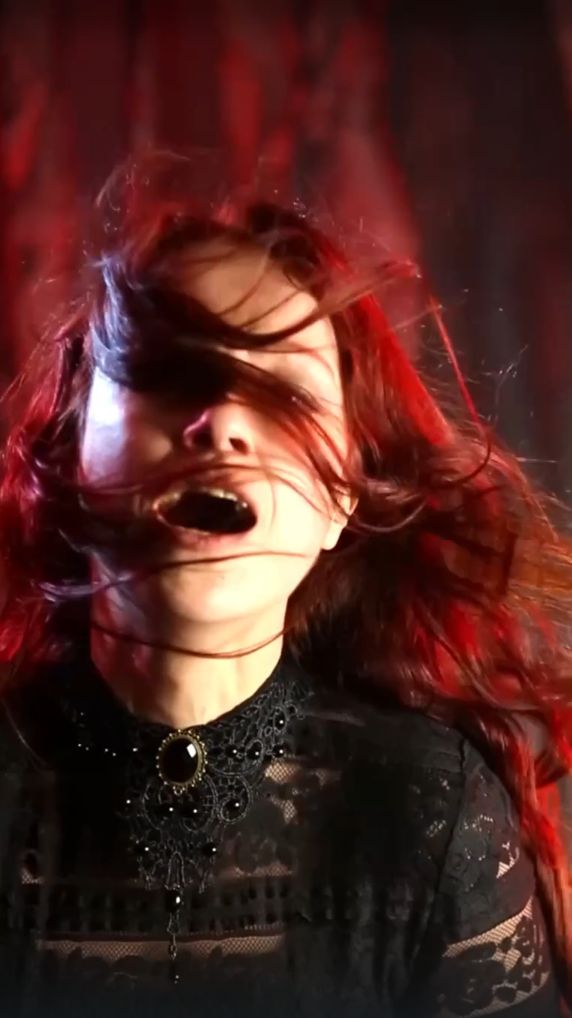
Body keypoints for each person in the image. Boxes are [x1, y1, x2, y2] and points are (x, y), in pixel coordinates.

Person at [0, 152, 570, 1018]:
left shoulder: (429, 815)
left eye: (283, 395)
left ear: (343, 500)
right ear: (76, 443)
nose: (224, 421)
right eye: (172, 371)